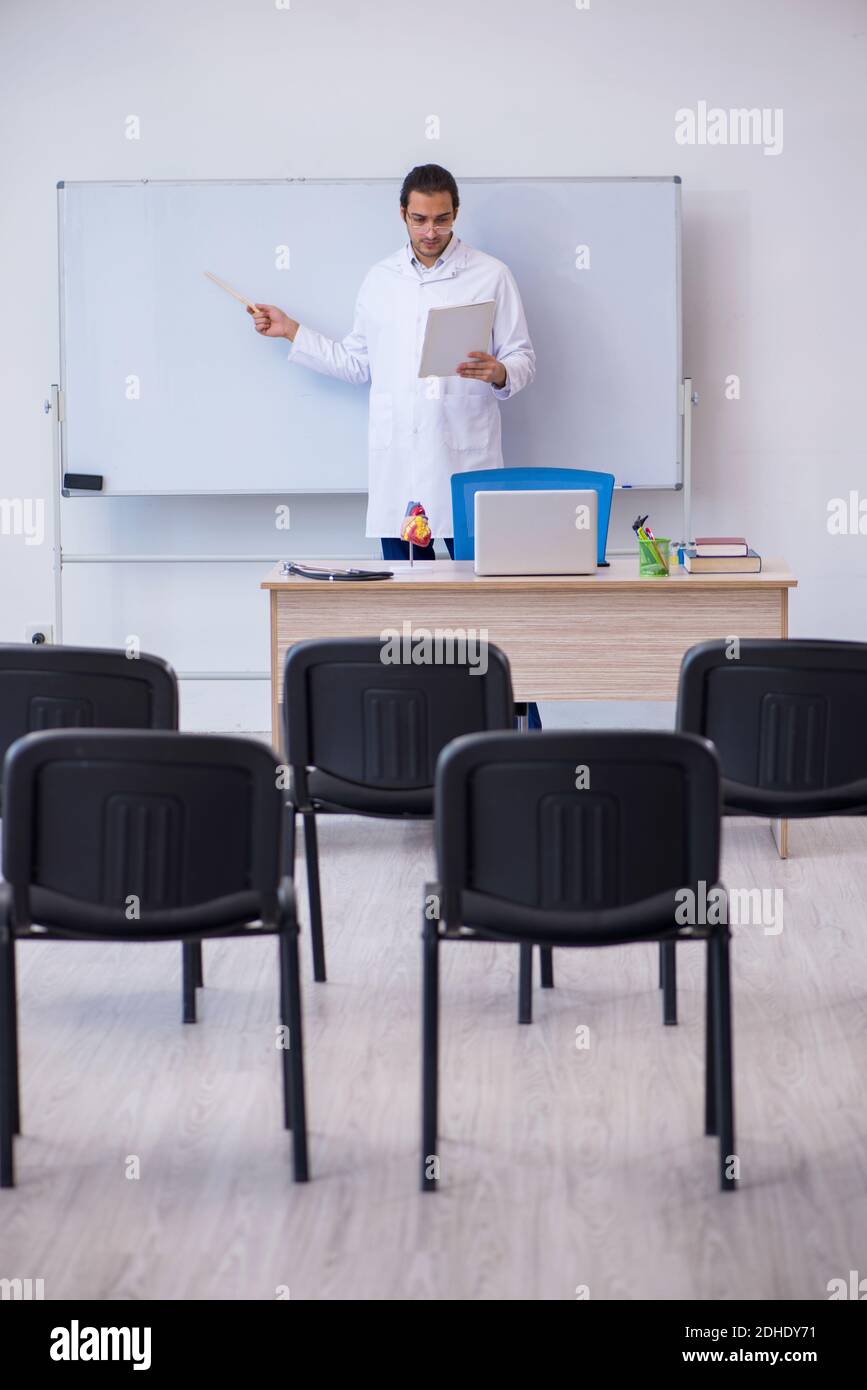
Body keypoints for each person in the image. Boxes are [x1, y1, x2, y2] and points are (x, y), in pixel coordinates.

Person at [249, 163, 536, 561]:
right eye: (419, 220)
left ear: (456, 213)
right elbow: (355, 364)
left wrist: (501, 372)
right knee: (404, 602)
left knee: (473, 594)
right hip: (399, 464)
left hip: (464, 457)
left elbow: (522, 355)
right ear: (402, 213)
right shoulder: (381, 279)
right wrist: (291, 330)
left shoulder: (491, 275)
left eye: (442, 219)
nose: (431, 232)